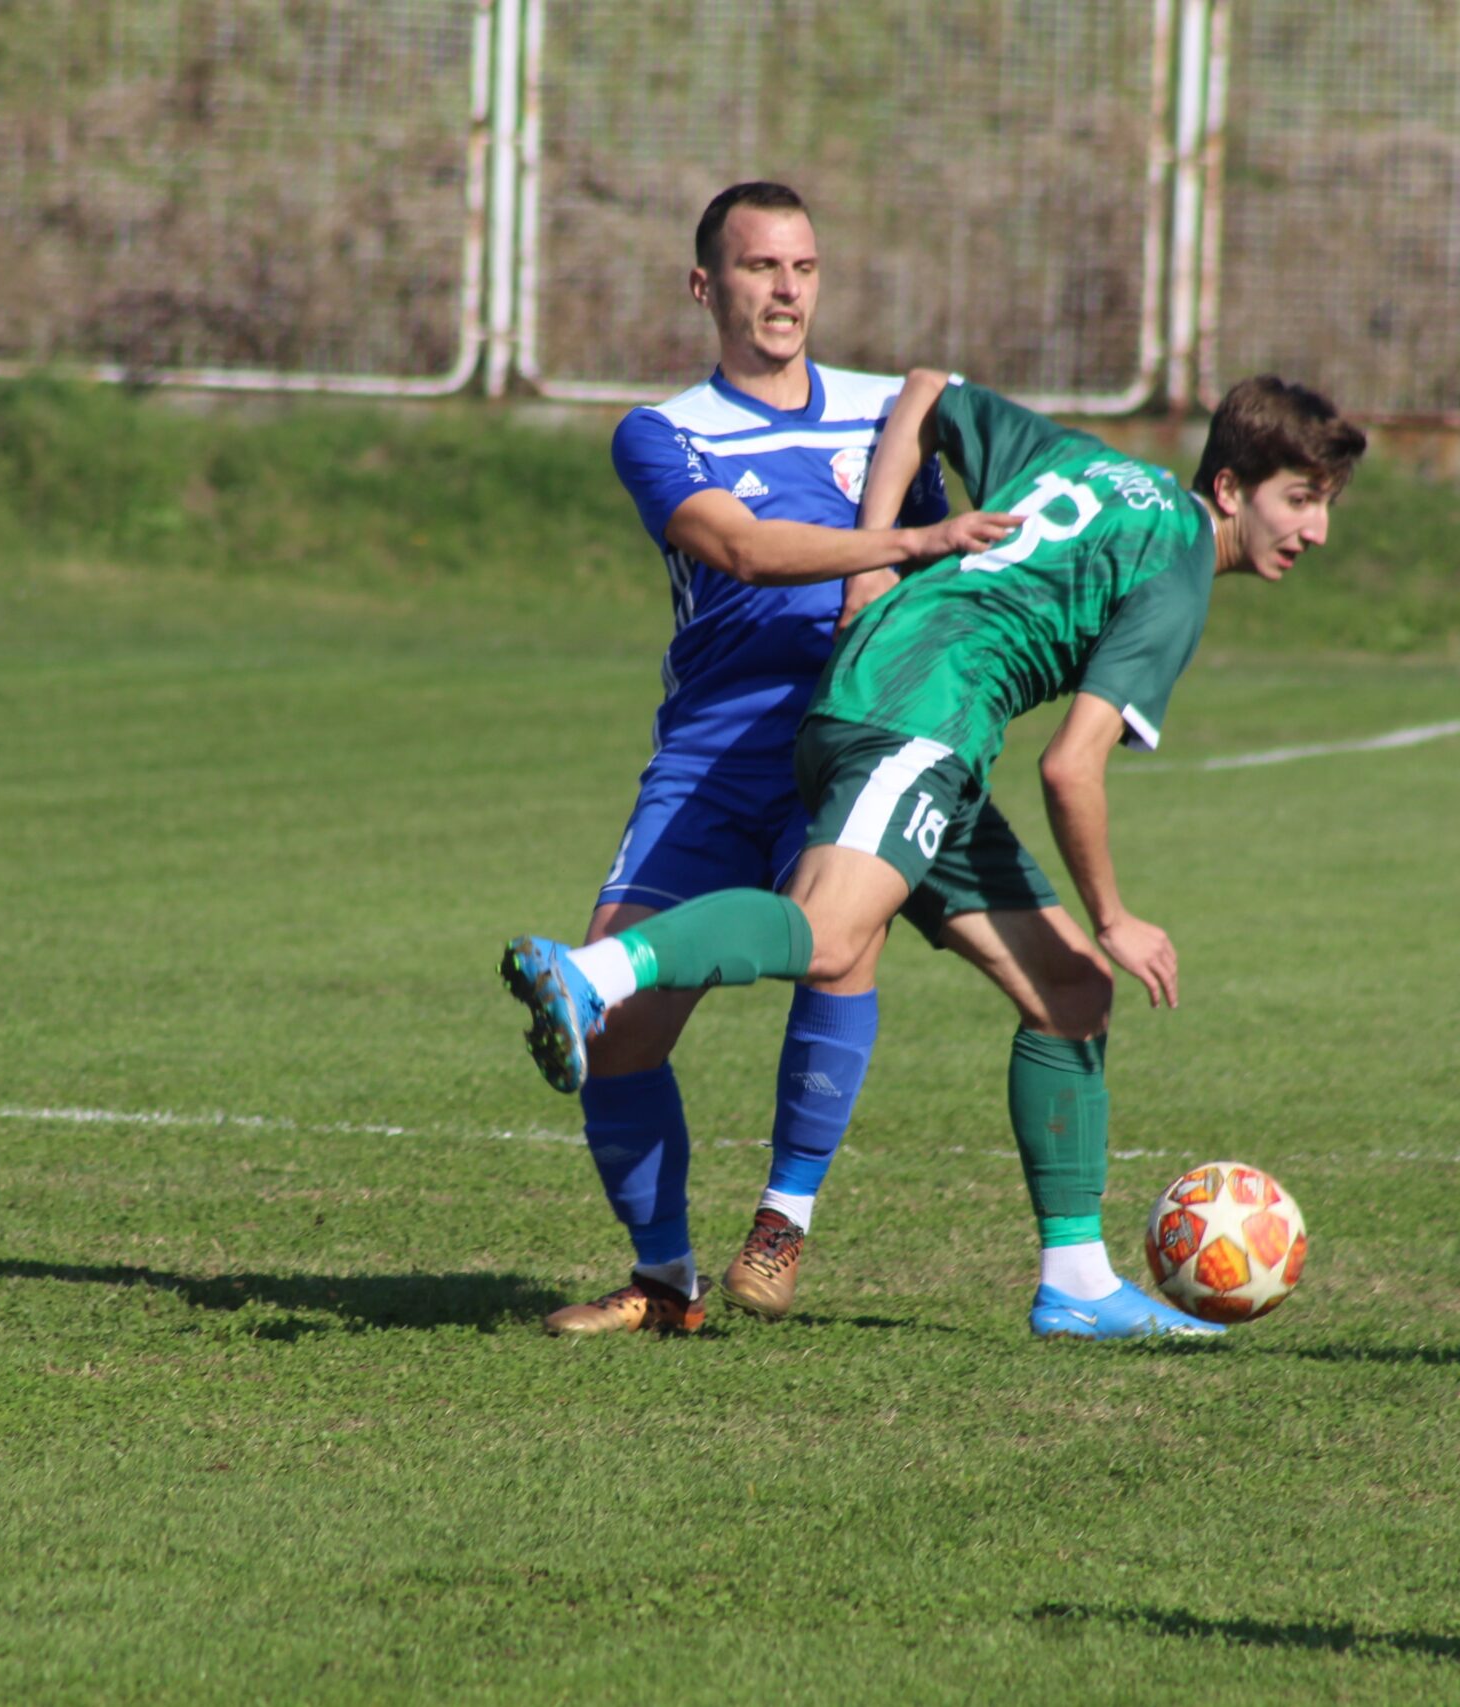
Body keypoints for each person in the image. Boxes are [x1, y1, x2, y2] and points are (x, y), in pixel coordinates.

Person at [504, 371, 1366, 1339]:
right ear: (1227, 489)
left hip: (909, 706)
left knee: (1071, 992)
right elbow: (1070, 768)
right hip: (918, 714)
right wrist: (1116, 915)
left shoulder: (1089, 460)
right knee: (830, 937)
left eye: (1325, 505)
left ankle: (1076, 1283)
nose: (1315, 530)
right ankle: (590, 978)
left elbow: (926, 391)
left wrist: (871, 572)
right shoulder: (1177, 565)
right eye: (1299, 500)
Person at [536, 183, 1023, 1338]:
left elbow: (969, 556)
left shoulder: (885, 413)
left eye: (802, 267)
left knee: (837, 946)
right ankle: (665, 1283)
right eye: (759, 268)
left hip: (853, 733)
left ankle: (783, 1221)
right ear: (706, 286)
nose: (786, 290)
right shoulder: (661, 431)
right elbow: (742, 551)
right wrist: (906, 538)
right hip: (714, 742)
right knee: (618, 1026)